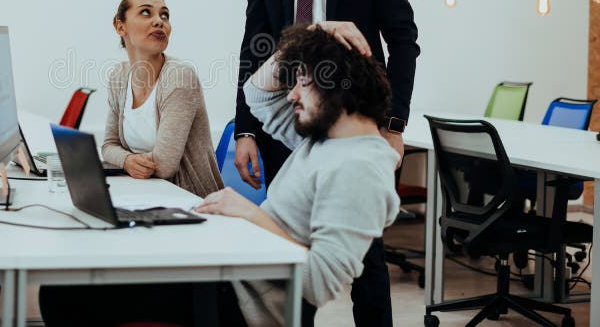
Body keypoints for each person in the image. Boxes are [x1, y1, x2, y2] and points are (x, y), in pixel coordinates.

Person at [38, 24, 400, 327]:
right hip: (232, 273)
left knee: (65, 295)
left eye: (302, 82)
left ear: (337, 84)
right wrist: (310, 36)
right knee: (66, 288)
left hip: (241, 303)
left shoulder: (361, 168)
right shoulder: (324, 139)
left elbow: (319, 282)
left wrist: (250, 213)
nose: (291, 95)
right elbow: (257, 94)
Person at [234, 0, 420, 326]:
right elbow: (254, 43)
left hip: (350, 119)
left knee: (366, 263)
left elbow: (402, 39)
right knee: (285, 251)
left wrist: (394, 125)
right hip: (286, 113)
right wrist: (246, 128)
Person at [101, 0, 224, 198]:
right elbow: (108, 146)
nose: (159, 21)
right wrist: (127, 160)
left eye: (164, 15)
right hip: (143, 193)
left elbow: (165, 165)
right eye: (146, 12)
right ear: (120, 26)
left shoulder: (179, 76)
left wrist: (125, 160)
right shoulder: (119, 76)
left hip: (190, 199)